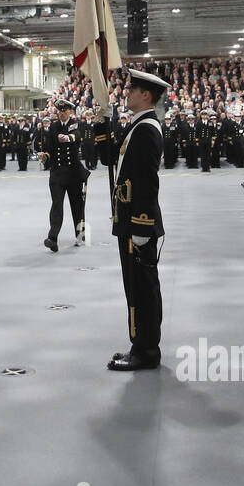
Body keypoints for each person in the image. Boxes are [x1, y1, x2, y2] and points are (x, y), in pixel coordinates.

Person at [94, 69, 170, 371]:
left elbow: (147, 182)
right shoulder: (138, 126)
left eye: (132, 90)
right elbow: (110, 157)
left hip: (138, 223)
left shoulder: (147, 129)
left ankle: (146, 351)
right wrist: (102, 123)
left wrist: (141, 224)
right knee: (136, 286)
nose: (127, 93)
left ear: (146, 95)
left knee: (142, 289)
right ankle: (140, 345)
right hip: (129, 221)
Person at [43, 98, 88, 251]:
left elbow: (77, 136)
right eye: (59, 111)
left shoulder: (74, 124)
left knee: (77, 206)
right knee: (56, 205)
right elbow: (48, 147)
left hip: (74, 173)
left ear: (70, 111)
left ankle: (81, 235)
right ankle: (52, 238)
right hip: (57, 173)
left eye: (65, 110)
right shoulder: (53, 127)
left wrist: (68, 138)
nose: (62, 113)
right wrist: (45, 156)